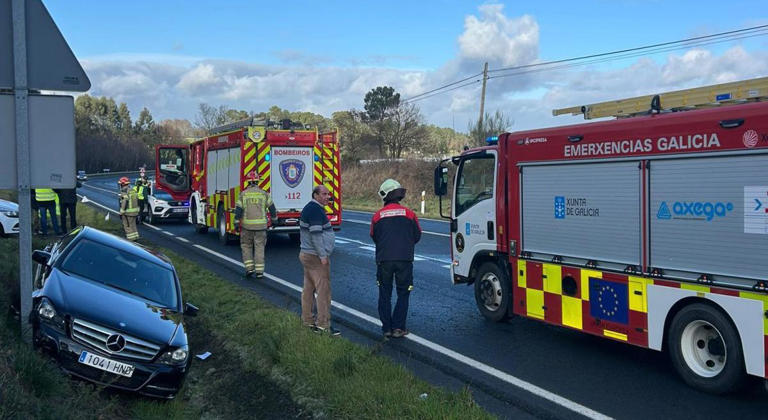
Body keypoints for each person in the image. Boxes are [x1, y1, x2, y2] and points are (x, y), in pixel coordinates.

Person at [370, 179, 422, 338]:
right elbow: (417, 235)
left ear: (385, 196)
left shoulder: (377, 216)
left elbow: (374, 236)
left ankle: (386, 328)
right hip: (404, 260)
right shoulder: (410, 214)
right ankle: (399, 328)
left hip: (384, 260)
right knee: (403, 293)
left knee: (384, 293)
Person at [299, 185, 339, 336]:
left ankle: (307, 320)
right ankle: (323, 325)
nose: (327, 197)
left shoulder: (310, 208)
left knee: (308, 289)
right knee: (323, 292)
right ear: (315, 195)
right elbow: (316, 235)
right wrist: (323, 256)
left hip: (307, 254)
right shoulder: (315, 210)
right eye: (323, 194)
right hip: (315, 256)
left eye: (328, 194)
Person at [235, 172, 276, 278]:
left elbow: (238, 210)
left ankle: (249, 268)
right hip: (261, 227)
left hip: (247, 227)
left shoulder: (243, 194)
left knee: (246, 246)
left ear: (248, 182)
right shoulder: (264, 194)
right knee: (259, 248)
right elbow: (272, 208)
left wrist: (236, 223)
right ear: (258, 181)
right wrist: (274, 220)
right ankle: (259, 272)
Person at [118, 177, 140, 241]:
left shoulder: (124, 191)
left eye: (120, 184)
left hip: (127, 212)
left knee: (127, 226)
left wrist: (121, 212)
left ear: (123, 184)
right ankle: (136, 238)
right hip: (135, 212)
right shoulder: (133, 190)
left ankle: (130, 240)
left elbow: (125, 201)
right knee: (133, 225)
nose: (120, 185)